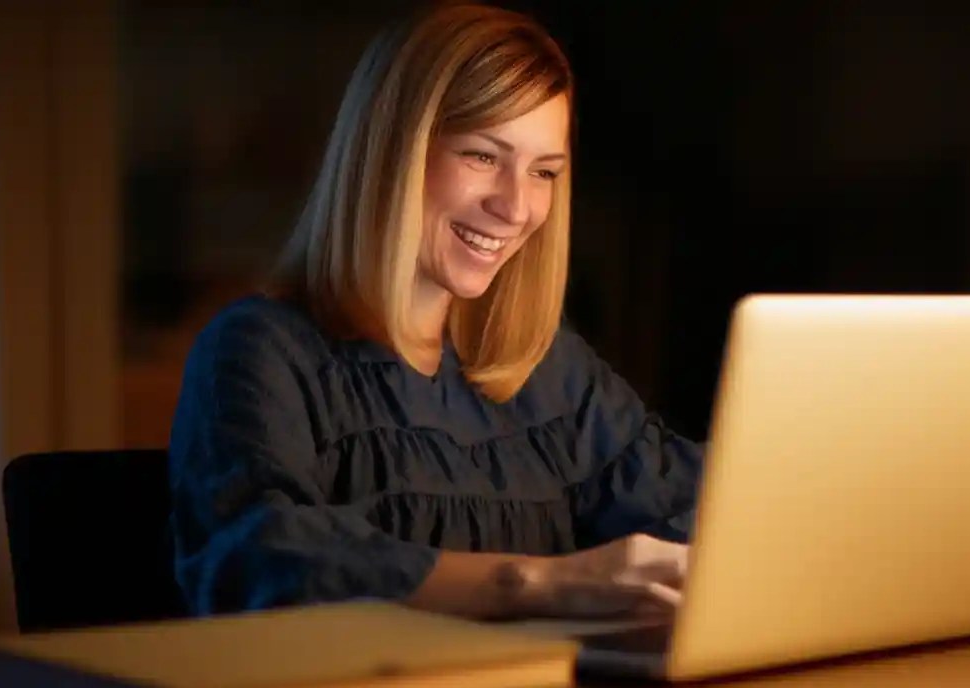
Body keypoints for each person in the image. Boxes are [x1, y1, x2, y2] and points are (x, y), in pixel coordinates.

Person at [169, 1, 702, 621]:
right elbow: (261, 562)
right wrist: (535, 582)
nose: (516, 206)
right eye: (482, 156)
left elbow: (679, 500)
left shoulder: (549, 369)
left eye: (544, 171)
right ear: (395, 151)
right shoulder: (258, 350)